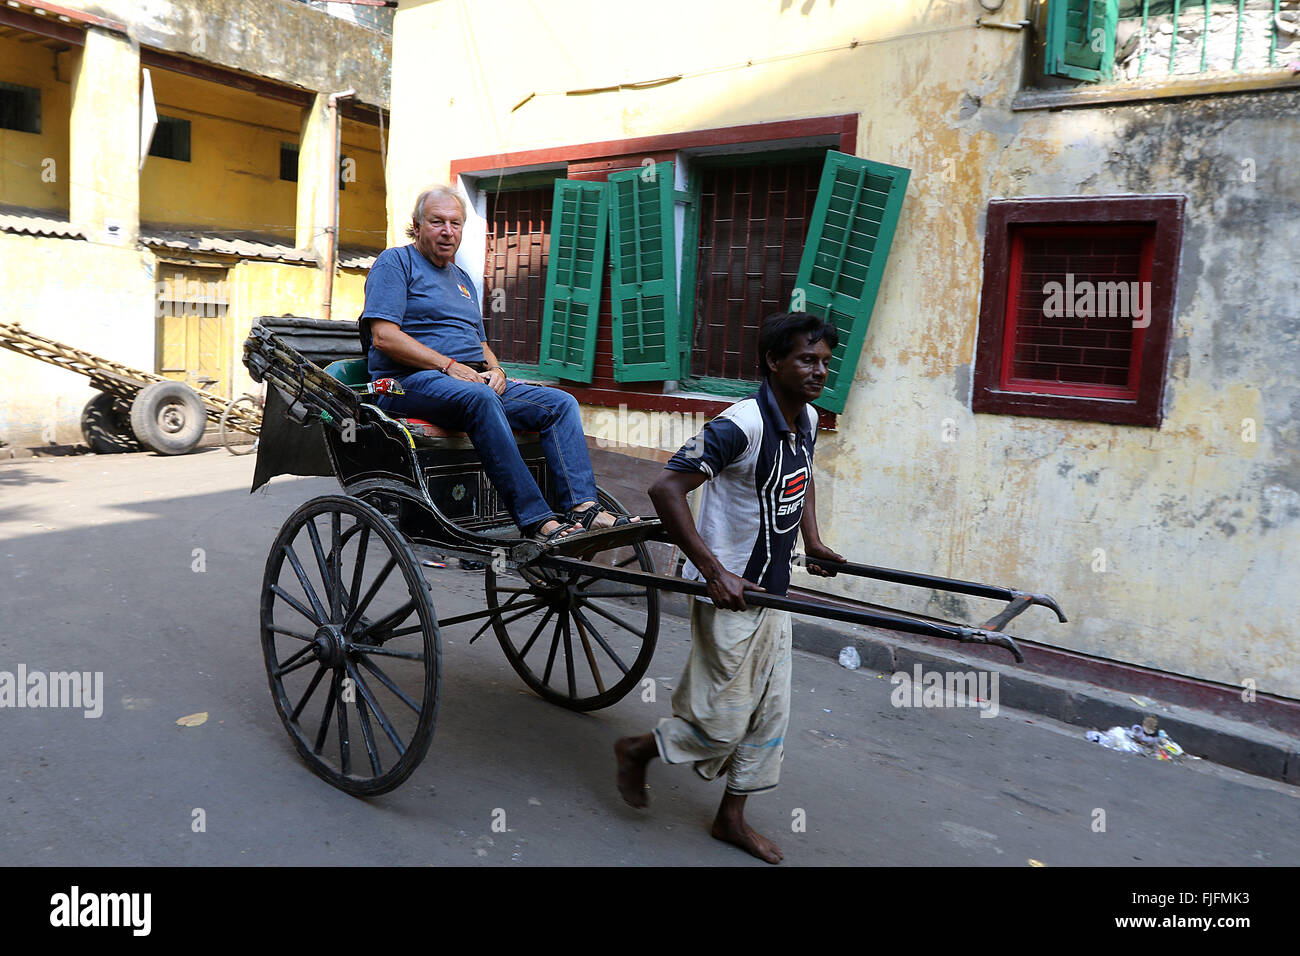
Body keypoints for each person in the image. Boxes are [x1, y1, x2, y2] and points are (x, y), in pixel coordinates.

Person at [613, 310, 844, 864]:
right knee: (719, 722)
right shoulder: (740, 425)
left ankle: (730, 818)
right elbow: (666, 490)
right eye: (806, 360)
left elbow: (801, 476)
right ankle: (638, 749)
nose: (818, 372)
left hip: (774, 588)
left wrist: (811, 540)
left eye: (824, 363)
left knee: (770, 715)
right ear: (773, 362)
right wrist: (715, 572)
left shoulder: (807, 420)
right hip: (729, 593)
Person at [361, 185, 634, 542]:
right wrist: (448, 366)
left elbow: (481, 344)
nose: (448, 231)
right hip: (408, 383)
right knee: (481, 399)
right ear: (416, 224)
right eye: (437, 222)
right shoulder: (395, 262)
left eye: (455, 223)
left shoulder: (461, 281)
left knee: (559, 404)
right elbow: (383, 336)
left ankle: (584, 508)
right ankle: (536, 519)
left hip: (466, 383)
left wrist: (498, 370)